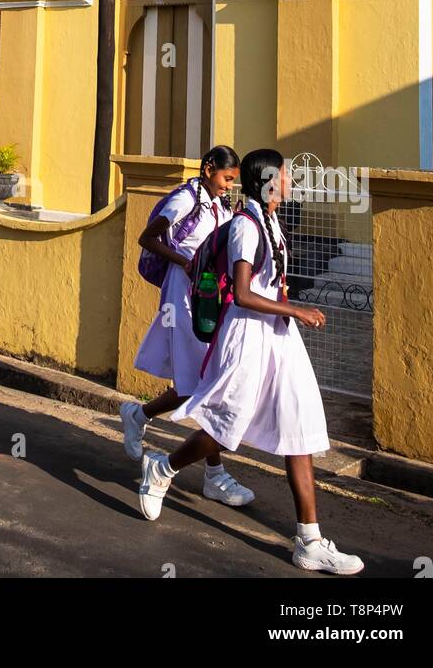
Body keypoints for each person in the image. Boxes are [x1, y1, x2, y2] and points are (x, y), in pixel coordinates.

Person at [138, 148, 364, 576]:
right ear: (268, 181)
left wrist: (288, 315)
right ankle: (163, 467)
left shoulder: (271, 220)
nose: (291, 181)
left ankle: (310, 540)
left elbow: (269, 284)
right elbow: (242, 293)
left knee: (298, 424)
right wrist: (295, 310)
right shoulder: (245, 225)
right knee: (229, 424)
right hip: (246, 335)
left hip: (278, 336)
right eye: (286, 175)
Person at [120, 145, 253, 507]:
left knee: (199, 380)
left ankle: (139, 414)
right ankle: (214, 475)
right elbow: (147, 237)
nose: (229, 186)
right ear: (209, 168)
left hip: (205, 297)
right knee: (203, 382)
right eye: (227, 178)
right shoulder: (185, 199)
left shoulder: (218, 203)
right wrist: (186, 263)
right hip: (182, 295)